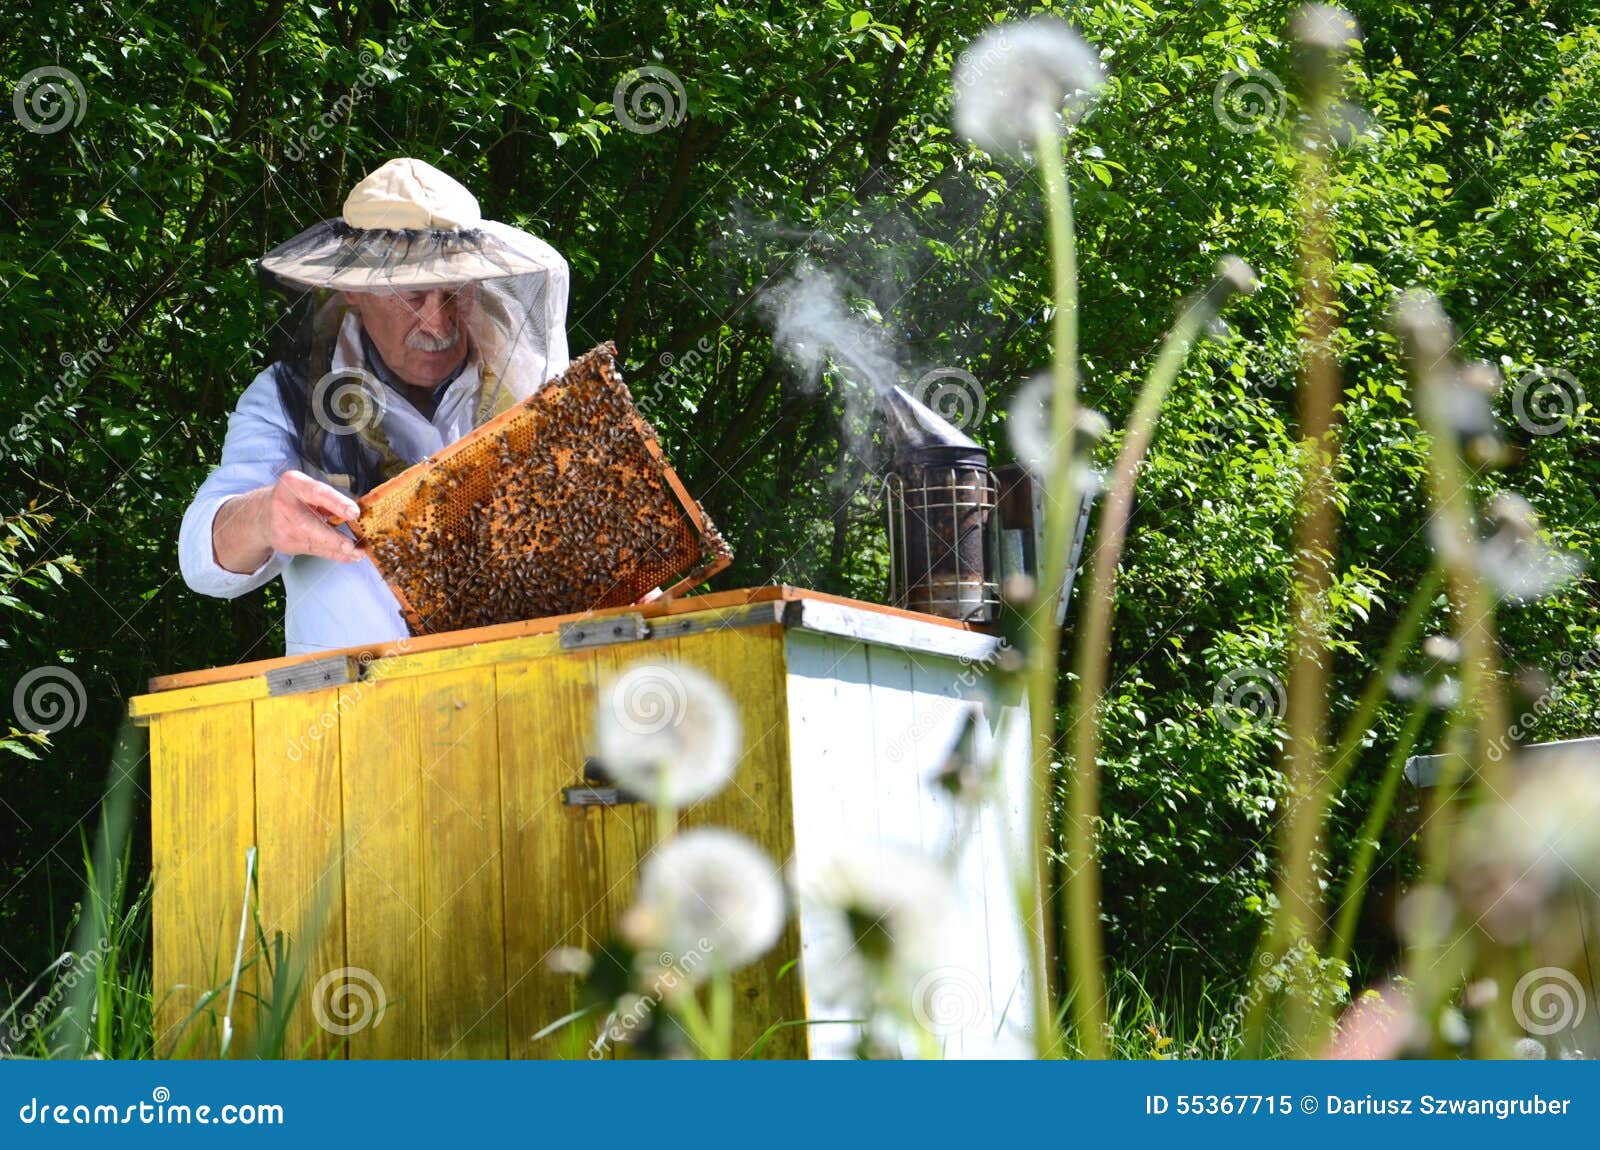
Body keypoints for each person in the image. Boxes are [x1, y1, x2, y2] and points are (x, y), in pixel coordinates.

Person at [178, 157, 571, 655]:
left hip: (525, 697)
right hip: (350, 721)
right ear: (353, 289)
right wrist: (262, 516)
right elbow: (202, 563)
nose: (438, 322)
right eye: (412, 295)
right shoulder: (285, 397)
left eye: (455, 292)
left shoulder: (533, 381)